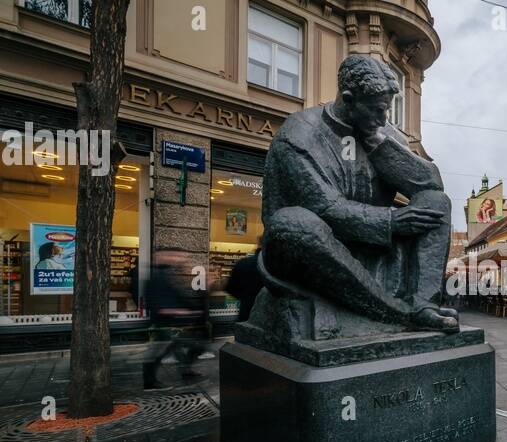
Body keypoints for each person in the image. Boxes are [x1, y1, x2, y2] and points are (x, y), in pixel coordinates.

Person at [258, 55, 457, 334]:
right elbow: (325, 208)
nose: (383, 118)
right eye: (377, 110)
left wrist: (381, 147)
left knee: (436, 203)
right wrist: (392, 221)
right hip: (314, 254)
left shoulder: (378, 131)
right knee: (295, 223)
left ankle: (424, 306)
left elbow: (431, 184)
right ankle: (397, 313)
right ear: (349, 99)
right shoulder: (299, 134)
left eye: (386, 110)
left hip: (374, 250)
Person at [143, 249, 209, 390]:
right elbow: (157, 302)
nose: (178, 258)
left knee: (175, 348)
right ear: (160, 257)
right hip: (163, 322)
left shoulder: (166, 274)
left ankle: (185, 371)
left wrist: (190, 310)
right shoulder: (157, 277)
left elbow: (176, 296)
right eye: (173, 255)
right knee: (158, 353)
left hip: (170, 322)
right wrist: (180, 311)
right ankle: (150, 382)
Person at [226, 245, 264, 322]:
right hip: (269, 317)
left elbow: (231, 289)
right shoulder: (274, 267)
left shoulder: (243, 263)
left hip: (246, 313)